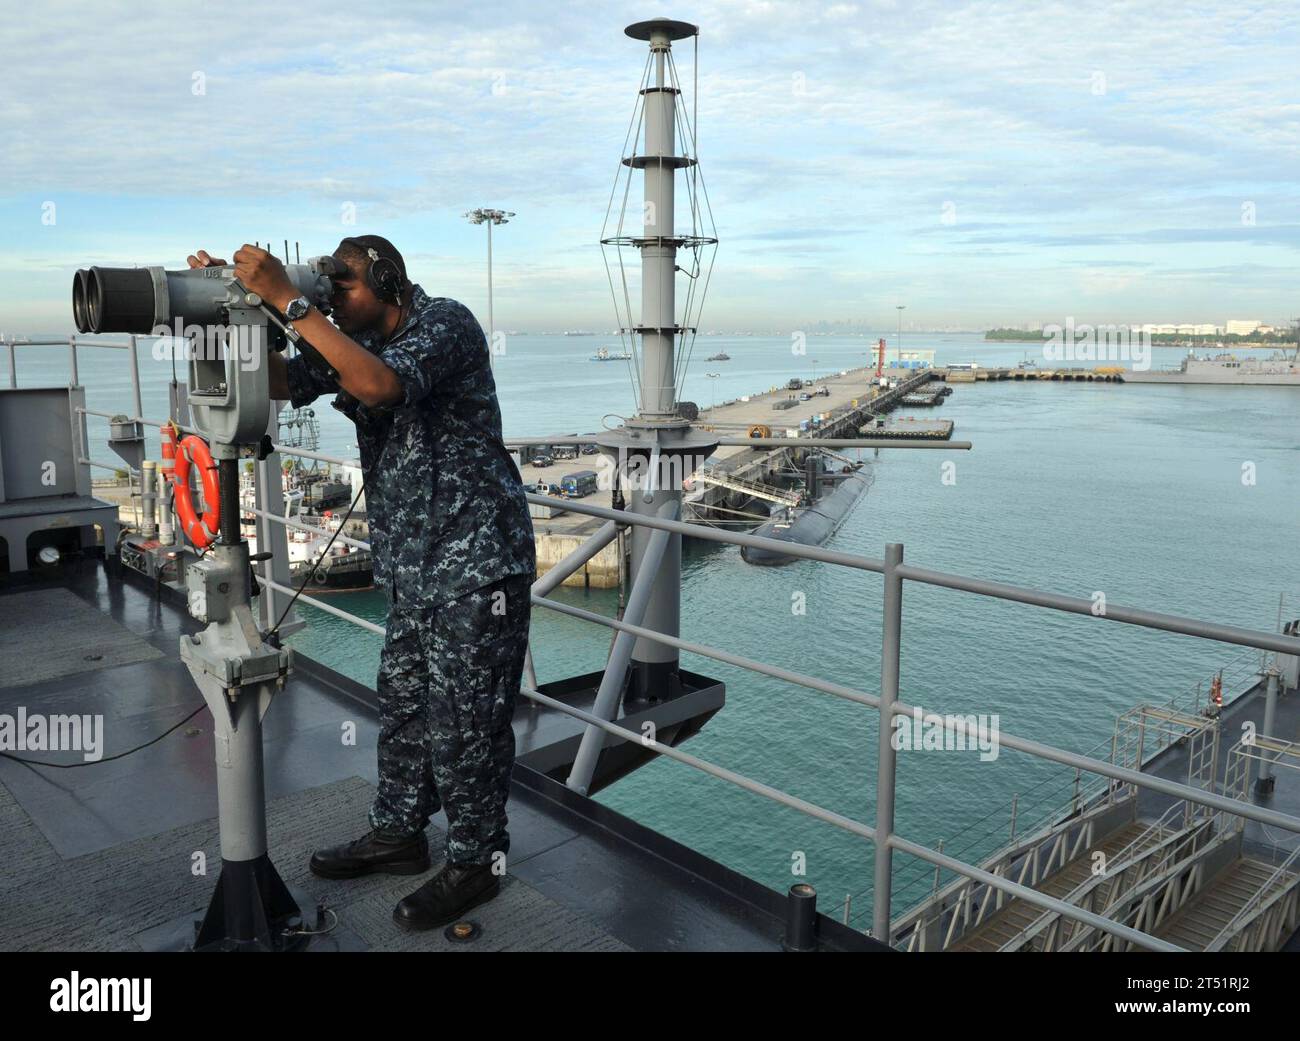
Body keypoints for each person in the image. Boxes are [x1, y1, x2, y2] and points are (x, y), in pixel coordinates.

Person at [186, 237, 536, 929]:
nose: (333, 297)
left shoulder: (447, 325)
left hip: (476, 566)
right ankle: (399, 833)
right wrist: (226, 315)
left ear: (388, 280)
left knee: (466, 725)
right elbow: (279, 383)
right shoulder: (344, 342)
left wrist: (289, 298)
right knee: (404, 706)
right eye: (328, 288)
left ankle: (475, 858)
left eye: (343, 285)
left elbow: (379, 383)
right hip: (413, 566)